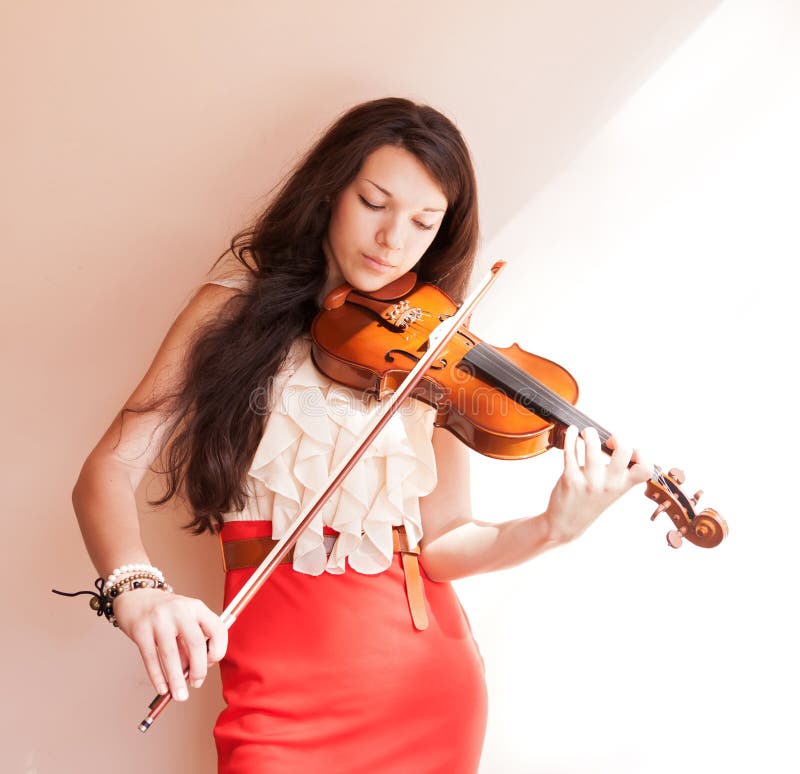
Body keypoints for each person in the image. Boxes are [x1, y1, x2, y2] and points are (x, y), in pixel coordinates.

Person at [70, 97, 651, 773]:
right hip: (276, 700)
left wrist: (551, 527)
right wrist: (137, 590)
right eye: (374, 202)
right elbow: (108, 470)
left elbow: (443, 543)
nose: (392, 240)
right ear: (331, 191)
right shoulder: (228, 311)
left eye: (423, 223)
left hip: (425, 691)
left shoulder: (434, 351)